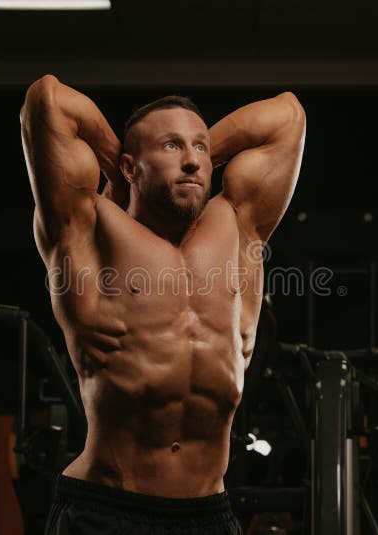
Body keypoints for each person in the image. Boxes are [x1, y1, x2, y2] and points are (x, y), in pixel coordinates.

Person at [20, 74, 306, 535]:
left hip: (207, 514)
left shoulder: (239, 224)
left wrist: (187, 149)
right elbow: (48, 98)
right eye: (171, 147)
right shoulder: (88, 229)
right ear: (132, 168)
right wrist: (118, 169)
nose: (193, 161)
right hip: (106, 510)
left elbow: (288, 115)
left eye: (200, 149)